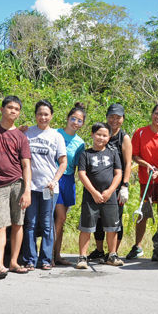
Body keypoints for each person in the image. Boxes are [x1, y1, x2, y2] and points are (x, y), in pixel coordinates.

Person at [0, 96, 32, 279]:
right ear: (2, 109)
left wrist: (27, 191)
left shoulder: (21, 137)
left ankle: (14, 262)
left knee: (18, 224)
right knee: (0, 226)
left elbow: (26, 166)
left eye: (17, 109)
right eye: (10, 107)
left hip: (17, 183)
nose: (13, 111)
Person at [127, 103, 158, 259]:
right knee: (143, 212)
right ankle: (137, 246)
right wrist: (147, 165)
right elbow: (134, 155)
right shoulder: (140, 133)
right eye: (156, 113)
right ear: (152, 114)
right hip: (146, 179)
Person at [21, 100, 67, 270]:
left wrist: (55, 180)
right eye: (40, 114)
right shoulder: (27, 133)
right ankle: (30, 259)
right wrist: (19, 130)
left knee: (47, 224)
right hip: (30, 186)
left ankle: (46, 259)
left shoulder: (56, 136)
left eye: (46, 114)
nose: (43, 117)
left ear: (51, 116)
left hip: (49, 188)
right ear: (35, 115)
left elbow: (63, 162)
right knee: (30, 224)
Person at [75, 122, 124, 268]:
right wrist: (94, 192)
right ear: (92, 134)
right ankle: (82, 257)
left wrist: (110, 191)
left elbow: (118, 173)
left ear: (109, 137)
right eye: (98, 134)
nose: (101, 138)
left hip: (110, 196)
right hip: (91, 197)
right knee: (86, 227)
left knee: (112, 227)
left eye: (104, 135)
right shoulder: (85, 154)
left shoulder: (113, 153)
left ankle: (112, 255)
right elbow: (82, 174)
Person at [89, 103, 132, 263]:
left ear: (123, 119)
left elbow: (128, 163)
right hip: (99, 186)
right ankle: (99, 250)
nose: (115, 120)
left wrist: (125, 186)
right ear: (106, 117)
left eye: (118, 117)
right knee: (98, 219)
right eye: (111, 117)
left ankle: (113, 252)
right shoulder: (103, 133)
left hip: (116, 186)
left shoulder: (124, 137)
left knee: (115, 220)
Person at [52, 103, 87, 266]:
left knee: (61, 221)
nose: (75, 122)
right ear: (67, 118)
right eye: (73, 118)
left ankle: (56, 255)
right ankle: (48, 255)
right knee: (59, 217)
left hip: (68, 180)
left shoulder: (80, 143)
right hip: (53, 178)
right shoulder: (55, 133)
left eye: (79, 121)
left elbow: (80, 167)